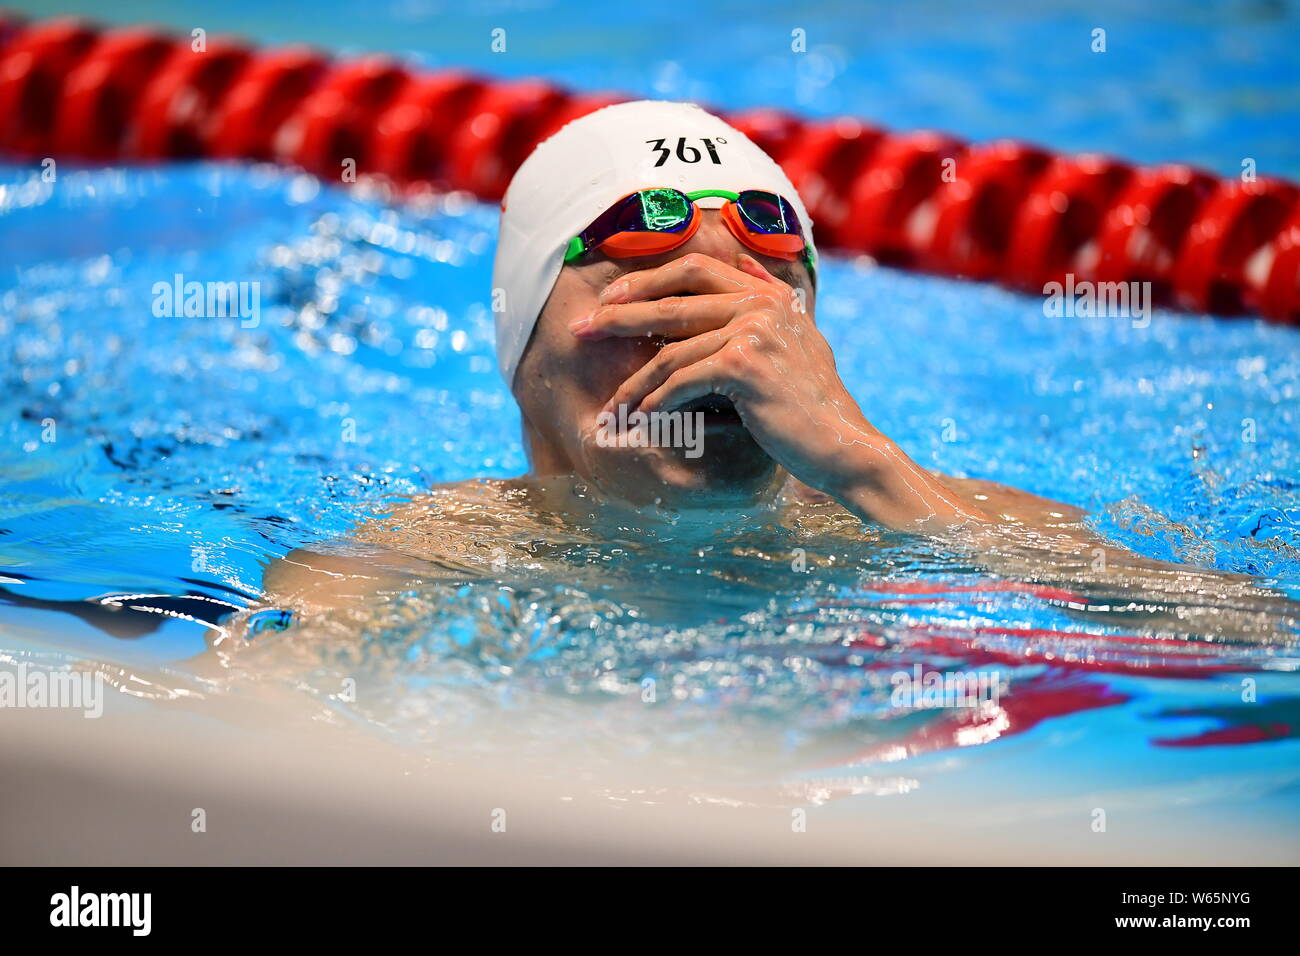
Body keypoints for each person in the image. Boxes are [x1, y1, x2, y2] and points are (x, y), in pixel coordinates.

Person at [256, 101, 1288, 643]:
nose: (712, 348)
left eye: (756, 306)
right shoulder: (411, 570)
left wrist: (875, 476)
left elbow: (1266, 650)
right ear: (523, 354)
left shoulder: (952, 523)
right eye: (650, 299)